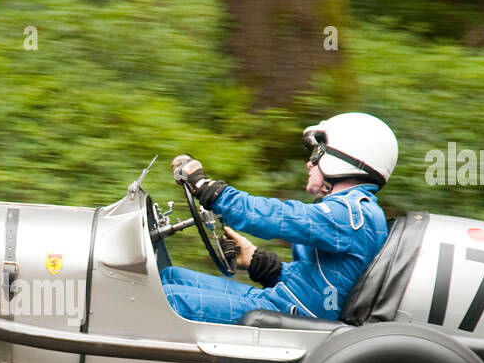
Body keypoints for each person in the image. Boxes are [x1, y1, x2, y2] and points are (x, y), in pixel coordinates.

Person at [161, 112, 397, 323]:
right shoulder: (352, 211)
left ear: (343, 158)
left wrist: (209, 190)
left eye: (318, 154)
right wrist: (259, 263)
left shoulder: (353, 213)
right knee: (169, 278)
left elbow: (281, 217)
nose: (310, 163)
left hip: (293, 313)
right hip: (287, 302)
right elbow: (320, 282)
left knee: (168, 301)